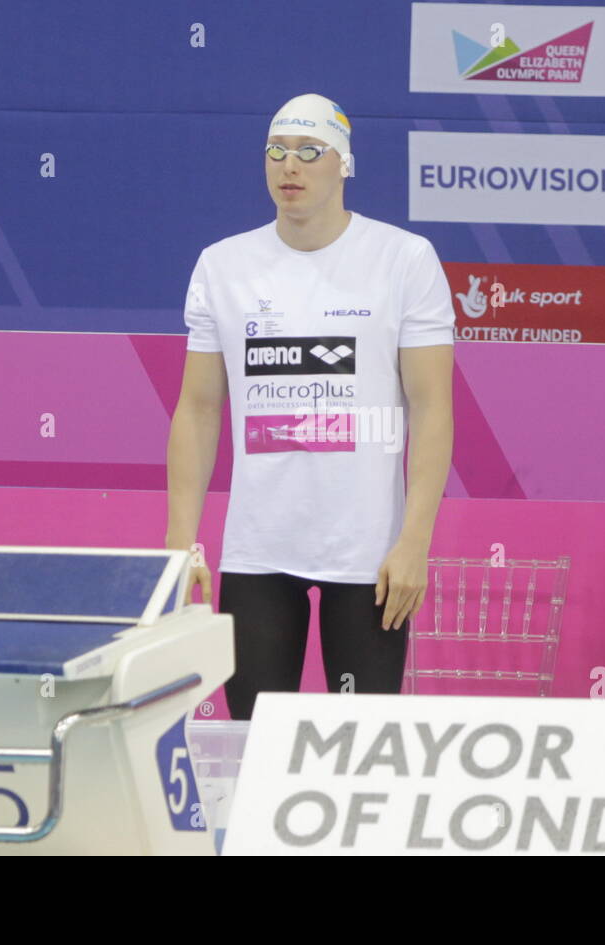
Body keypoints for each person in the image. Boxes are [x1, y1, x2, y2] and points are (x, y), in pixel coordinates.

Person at [167, 93, 454, 720]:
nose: (288, 166)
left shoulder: (404, 260)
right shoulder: (223, 266)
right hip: (259, 551)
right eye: (275, 152)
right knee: (253, 745)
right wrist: (178, 542)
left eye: (308, 152)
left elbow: (432, 409)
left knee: (359, 753)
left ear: (343, 165)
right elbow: (197, 409)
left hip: (371, 555)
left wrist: (415, 542)